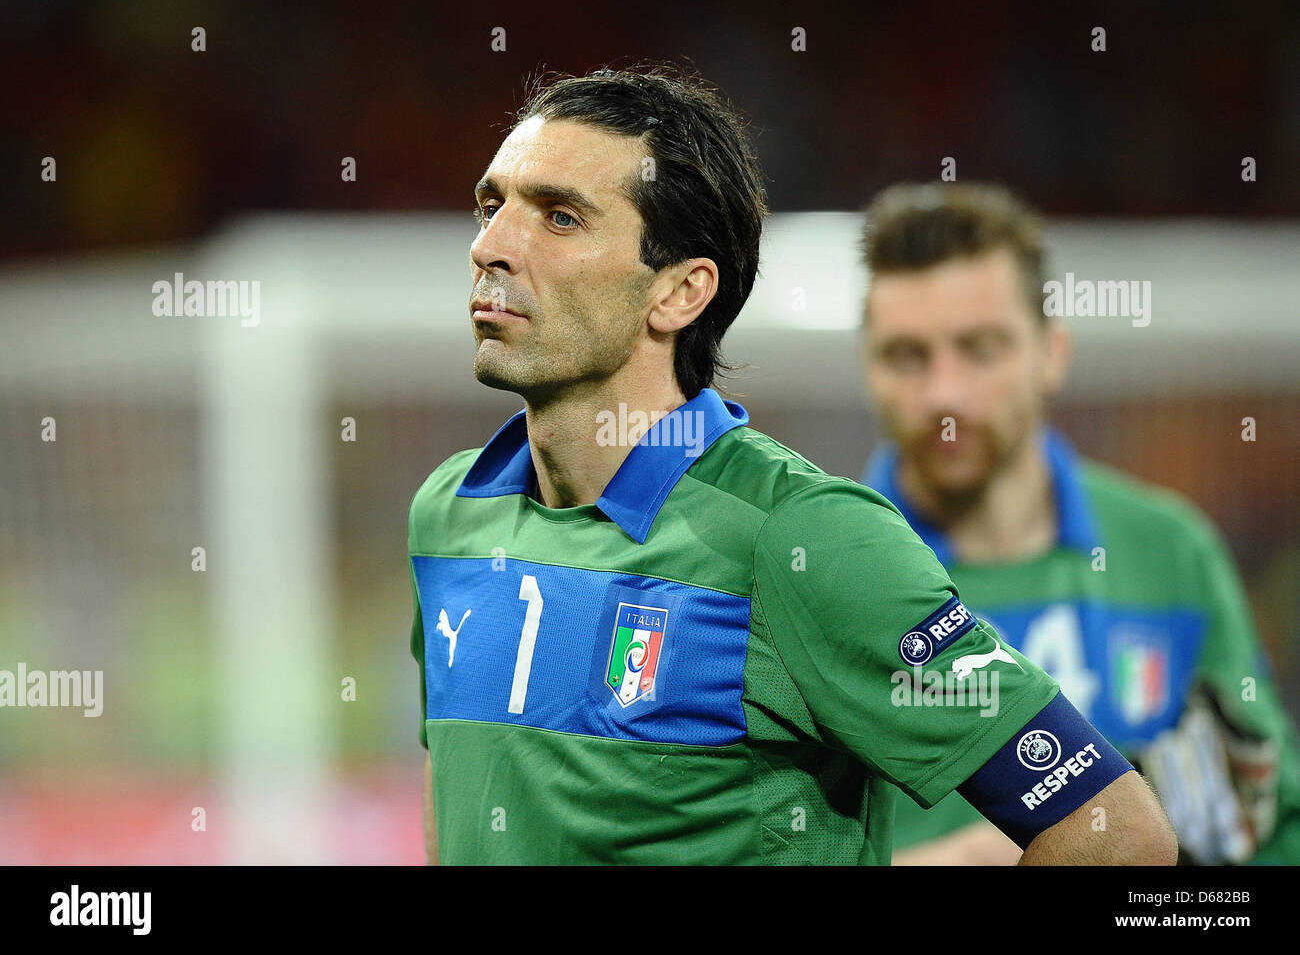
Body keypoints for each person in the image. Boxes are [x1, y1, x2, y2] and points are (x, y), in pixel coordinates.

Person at [406, 66, 1176, 864]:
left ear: (679, 293)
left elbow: (1116, 833)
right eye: (492, 206)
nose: (490, 247)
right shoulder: (450, 514)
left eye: (560, 217)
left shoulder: (803, 539)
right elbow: (461, 796)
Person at [857, 181, 1300, 865]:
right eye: (907, 356)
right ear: (868, 369)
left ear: (1052, 354)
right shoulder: (820, 574)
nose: (944, 394)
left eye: (980, 349)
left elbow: (1273, 828)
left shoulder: (1170, 552)